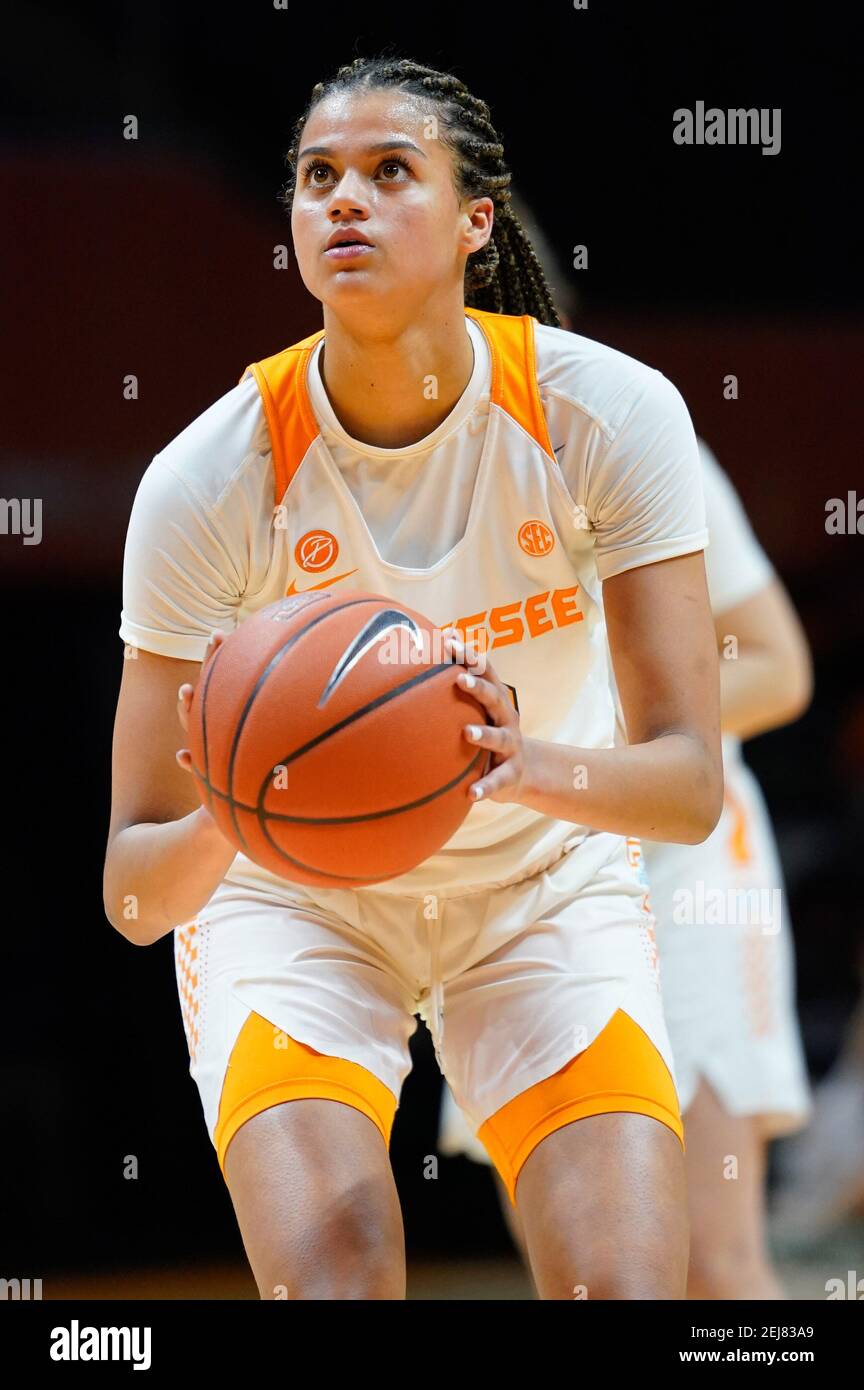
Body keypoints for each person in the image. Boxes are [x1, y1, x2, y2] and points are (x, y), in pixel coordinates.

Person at [103, 54, 722, 1300]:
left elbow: (690, 788)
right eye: (318, 178)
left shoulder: (604, 413)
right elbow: (131, 888)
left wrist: (519, 764)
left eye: (392, 173)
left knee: (628, 1292)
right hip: (295, 904)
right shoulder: (210, 475)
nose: (346, 202)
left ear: (474, 220)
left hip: (539, 883)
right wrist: (230, 812)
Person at [439, 438, 814, 1299]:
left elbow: (779, 668)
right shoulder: (396, 475)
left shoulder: (631, 439)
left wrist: (584, 746)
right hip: (513, 873)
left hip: (681, 869)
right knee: (581, 1271)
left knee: (711, 1266)